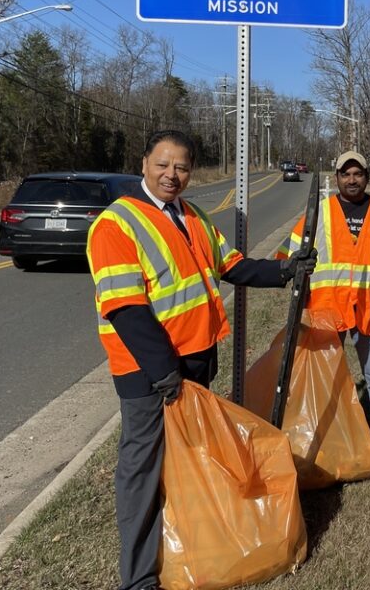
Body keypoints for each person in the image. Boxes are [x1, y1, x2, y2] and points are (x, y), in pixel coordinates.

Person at [86, 129, 315, 590]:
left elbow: (231, 266)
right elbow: (126, 309)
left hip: (193, 364)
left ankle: (190, 545)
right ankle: (139, 578)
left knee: (188, 462)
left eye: (182, 167)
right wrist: (164, 373)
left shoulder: (190, 215)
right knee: (143, 470)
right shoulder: (116, 224)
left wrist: (286, 270)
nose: (172, 175)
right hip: (150, 374)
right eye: (163, 164)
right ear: (144, 164)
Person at [277, 150, 370, 456]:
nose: (352, 179)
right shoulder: (318, 213)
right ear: (337, 177)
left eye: (358, 174)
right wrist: (299, 300)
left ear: (367, 178)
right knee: (324, 376)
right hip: (326, 309)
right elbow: (292, 260)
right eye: (346, 174)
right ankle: (319, 436)